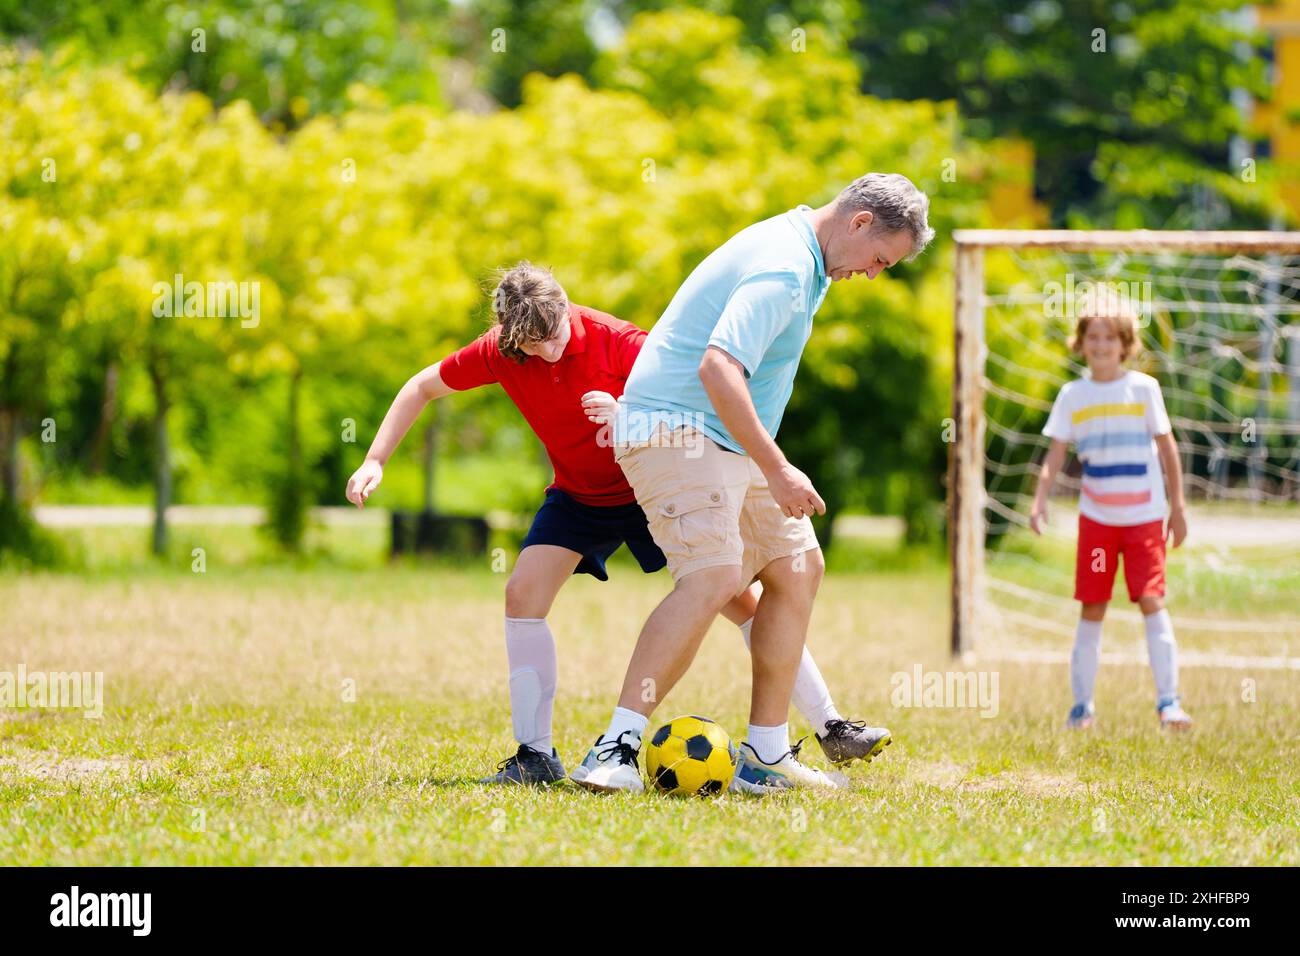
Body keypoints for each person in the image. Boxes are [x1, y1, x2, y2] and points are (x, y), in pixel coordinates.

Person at [345, 261, 888, 786]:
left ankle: (829, 725)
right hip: (579, 498)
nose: (548, 351)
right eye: (532, 345)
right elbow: (421, 387)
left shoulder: (622, 341)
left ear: (566, 309)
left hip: (651, 489)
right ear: (508, 335)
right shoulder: (502, 351)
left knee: (736, 597)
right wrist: (375, 459)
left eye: (553, 336)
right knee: (522, 595)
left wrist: (630, 409)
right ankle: (534, 755)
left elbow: (701, 398)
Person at [569, 173, 934, 794]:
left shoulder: (808, 258)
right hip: (675, 432)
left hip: (724, 438)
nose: (873, 275)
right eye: (878, 260)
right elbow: (718, 368)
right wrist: (778, 466)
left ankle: (764, 756)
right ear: (860, 222)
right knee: (712, 575)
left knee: (797, 566)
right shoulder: (785, 269)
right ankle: (615, 749)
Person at [1029, 301, 1192, 730]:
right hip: (1098, 524)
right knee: (1093, 605)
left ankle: (1169, 703)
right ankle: (1082, 707)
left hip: (1143, 520)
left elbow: (1168, 449)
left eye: (1110, 337)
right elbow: (1054, 455)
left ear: (1126, 345)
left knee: (1152, 601)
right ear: (1080, 344)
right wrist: (1039, 499)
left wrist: (1178, 507)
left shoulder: (1143, 390)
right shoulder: (1072, 395)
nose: (1101, 345)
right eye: (1092, 337)